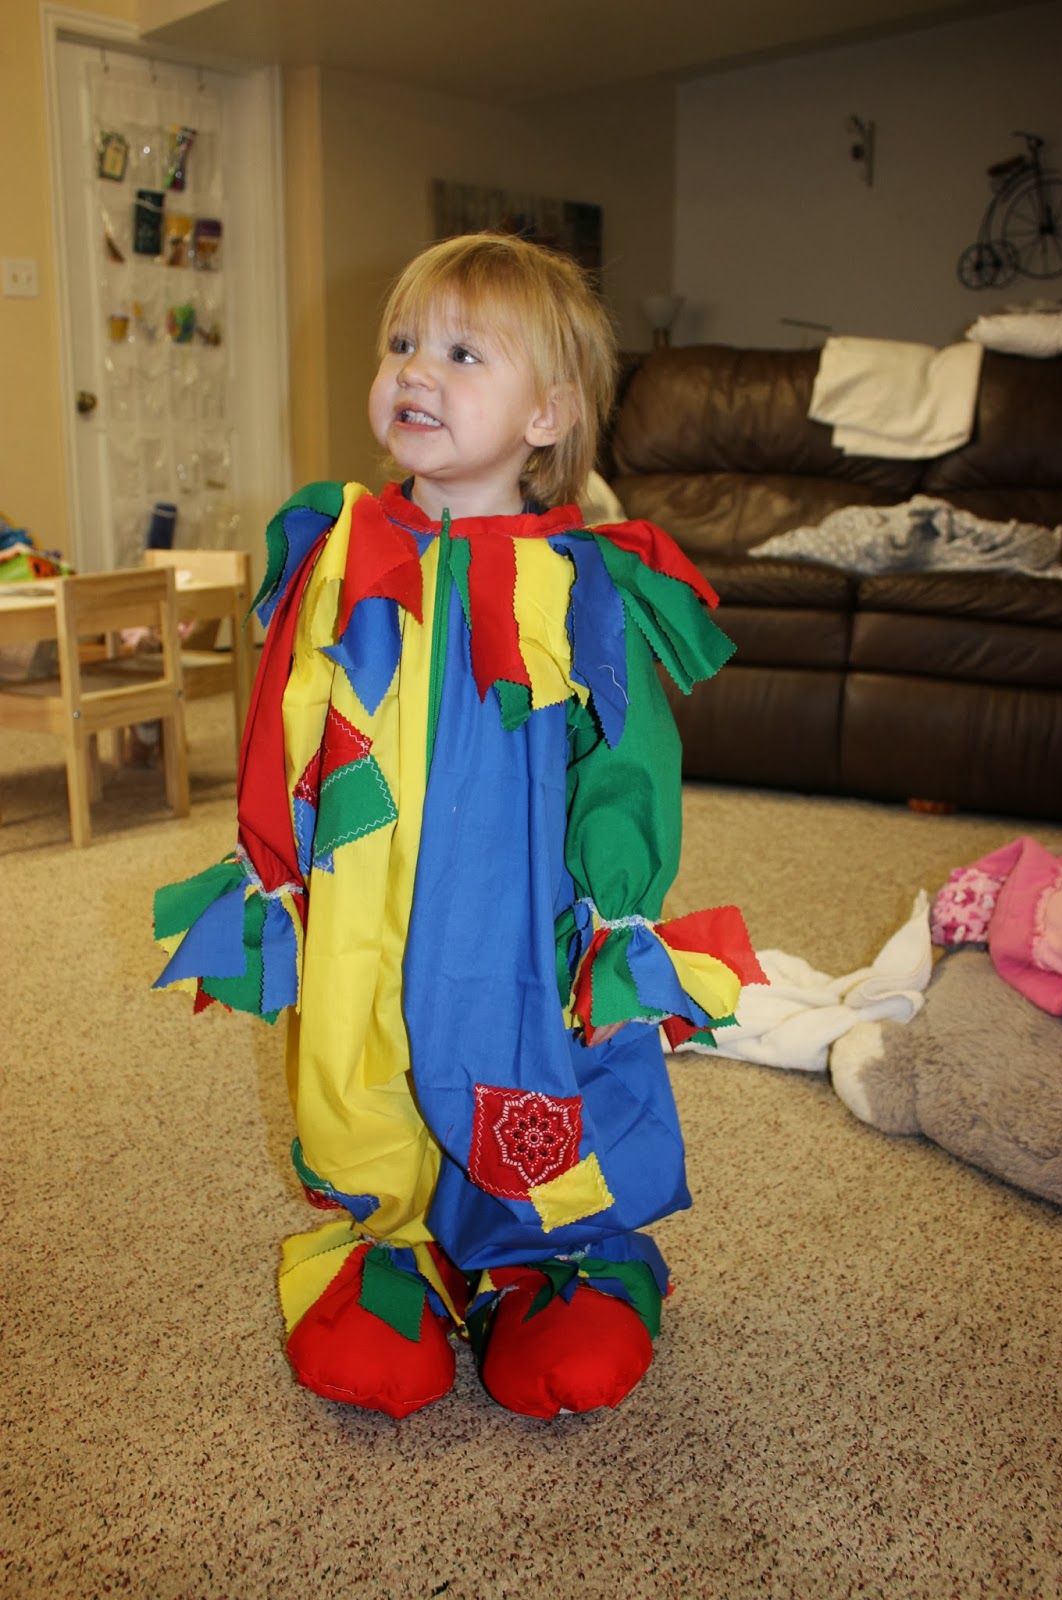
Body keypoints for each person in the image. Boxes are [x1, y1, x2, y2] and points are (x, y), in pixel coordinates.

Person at [153, 233, 765, 1420]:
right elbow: (287, 716)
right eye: (400, 345)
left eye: (462, 351)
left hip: (518, 918)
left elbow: (629, 763)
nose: (414, 372)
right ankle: (394, 1247)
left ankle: (554, 1258)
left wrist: (614, 913)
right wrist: (276, 875)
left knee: (523, 1070)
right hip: (363, 909)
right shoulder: (335, 551)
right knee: (361, 1056)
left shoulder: (582, 585)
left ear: (548, 415)